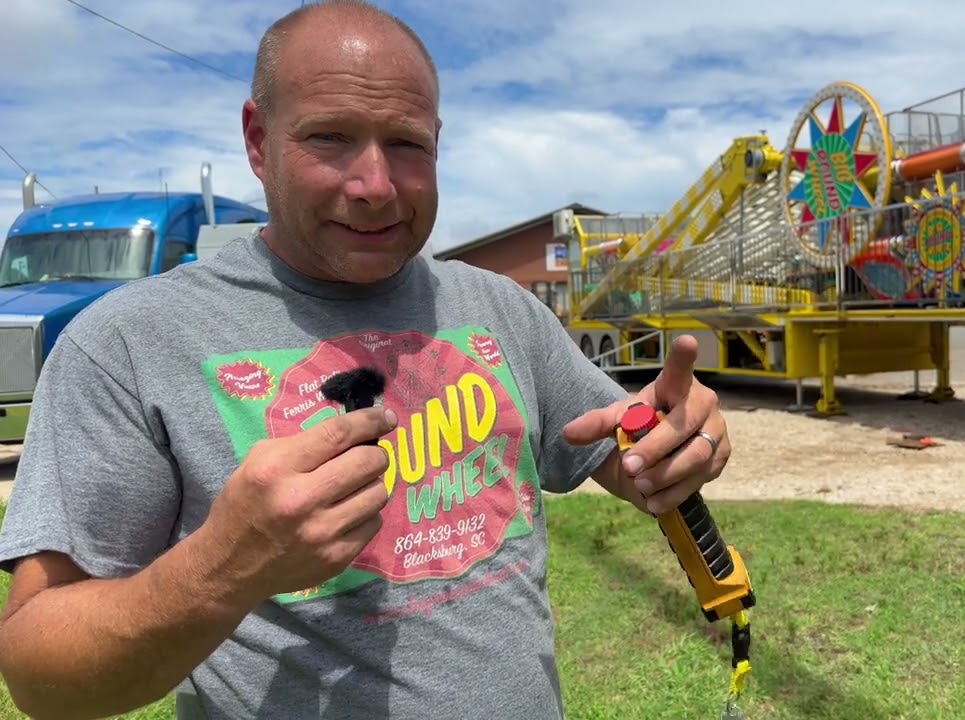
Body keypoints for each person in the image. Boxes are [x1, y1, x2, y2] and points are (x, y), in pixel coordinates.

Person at [0, 1, 732, 718]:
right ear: (258, 141)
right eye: (330, 138)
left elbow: (624, 452)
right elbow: (39, 678)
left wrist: (672, 442)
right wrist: (220, 569)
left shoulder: (498, 307)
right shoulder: (126, 344)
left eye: (407, 144)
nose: (376, 186)